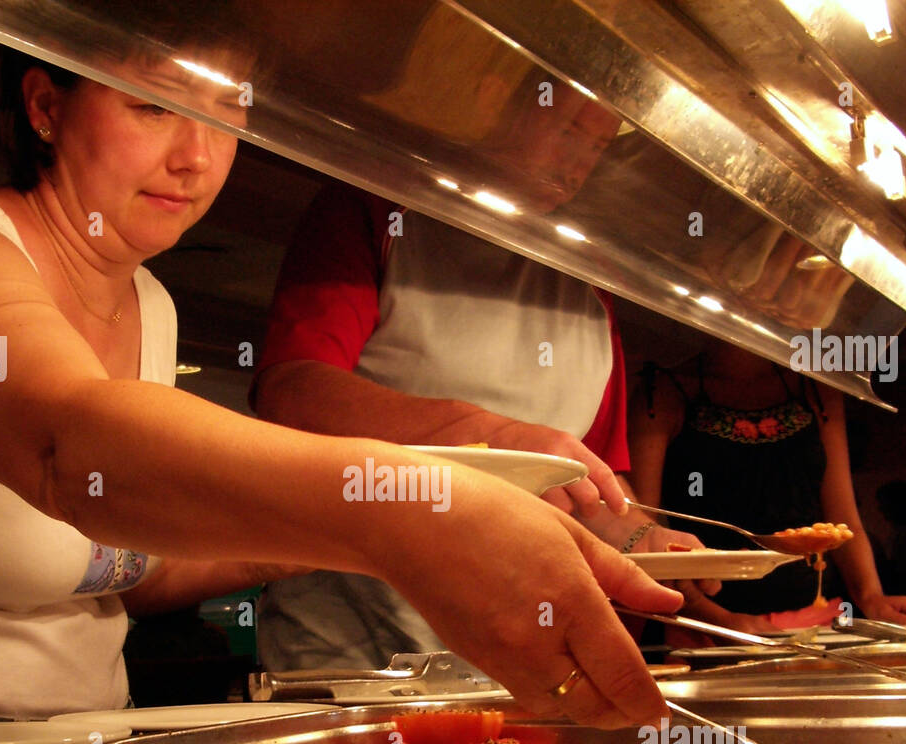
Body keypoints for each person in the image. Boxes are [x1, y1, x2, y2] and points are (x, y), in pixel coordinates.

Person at [0, 44, 681, 732]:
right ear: (45, 105)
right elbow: (66, 448)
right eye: (155, 105)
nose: (198, 158)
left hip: (80, 737)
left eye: (226, 115)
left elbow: (136, 567)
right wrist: (410, 510)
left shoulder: (149, 305)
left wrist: (348, 539)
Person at [251, 174, 710, 670]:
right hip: (355, 649)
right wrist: (484, 435)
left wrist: (643, 538)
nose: (583, 155)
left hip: (523, 650)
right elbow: (292, 391)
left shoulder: (589, 270)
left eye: (600, 138)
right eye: (570, 120)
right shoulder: (378, 205)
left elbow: (584, 481)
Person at [627, 342, 906, 633]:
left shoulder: (816, 385)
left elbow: (844, 521)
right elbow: (644, 536)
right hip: (704, 627)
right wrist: (720, 620)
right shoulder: (662, 390)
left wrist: (872, 599)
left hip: (818, 620)